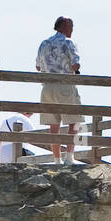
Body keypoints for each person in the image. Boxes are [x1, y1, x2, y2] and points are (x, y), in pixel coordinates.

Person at [35, 16, 82, 165]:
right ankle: (69, 157)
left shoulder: (44, 44)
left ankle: (56, 159)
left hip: (47, 87)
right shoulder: (68, 42)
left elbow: (37, 67)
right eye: (71, 26)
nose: (72, 29)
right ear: (63, 26)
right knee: (74, 121)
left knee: (53, 125)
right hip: (65, 84)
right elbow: (76, 65)